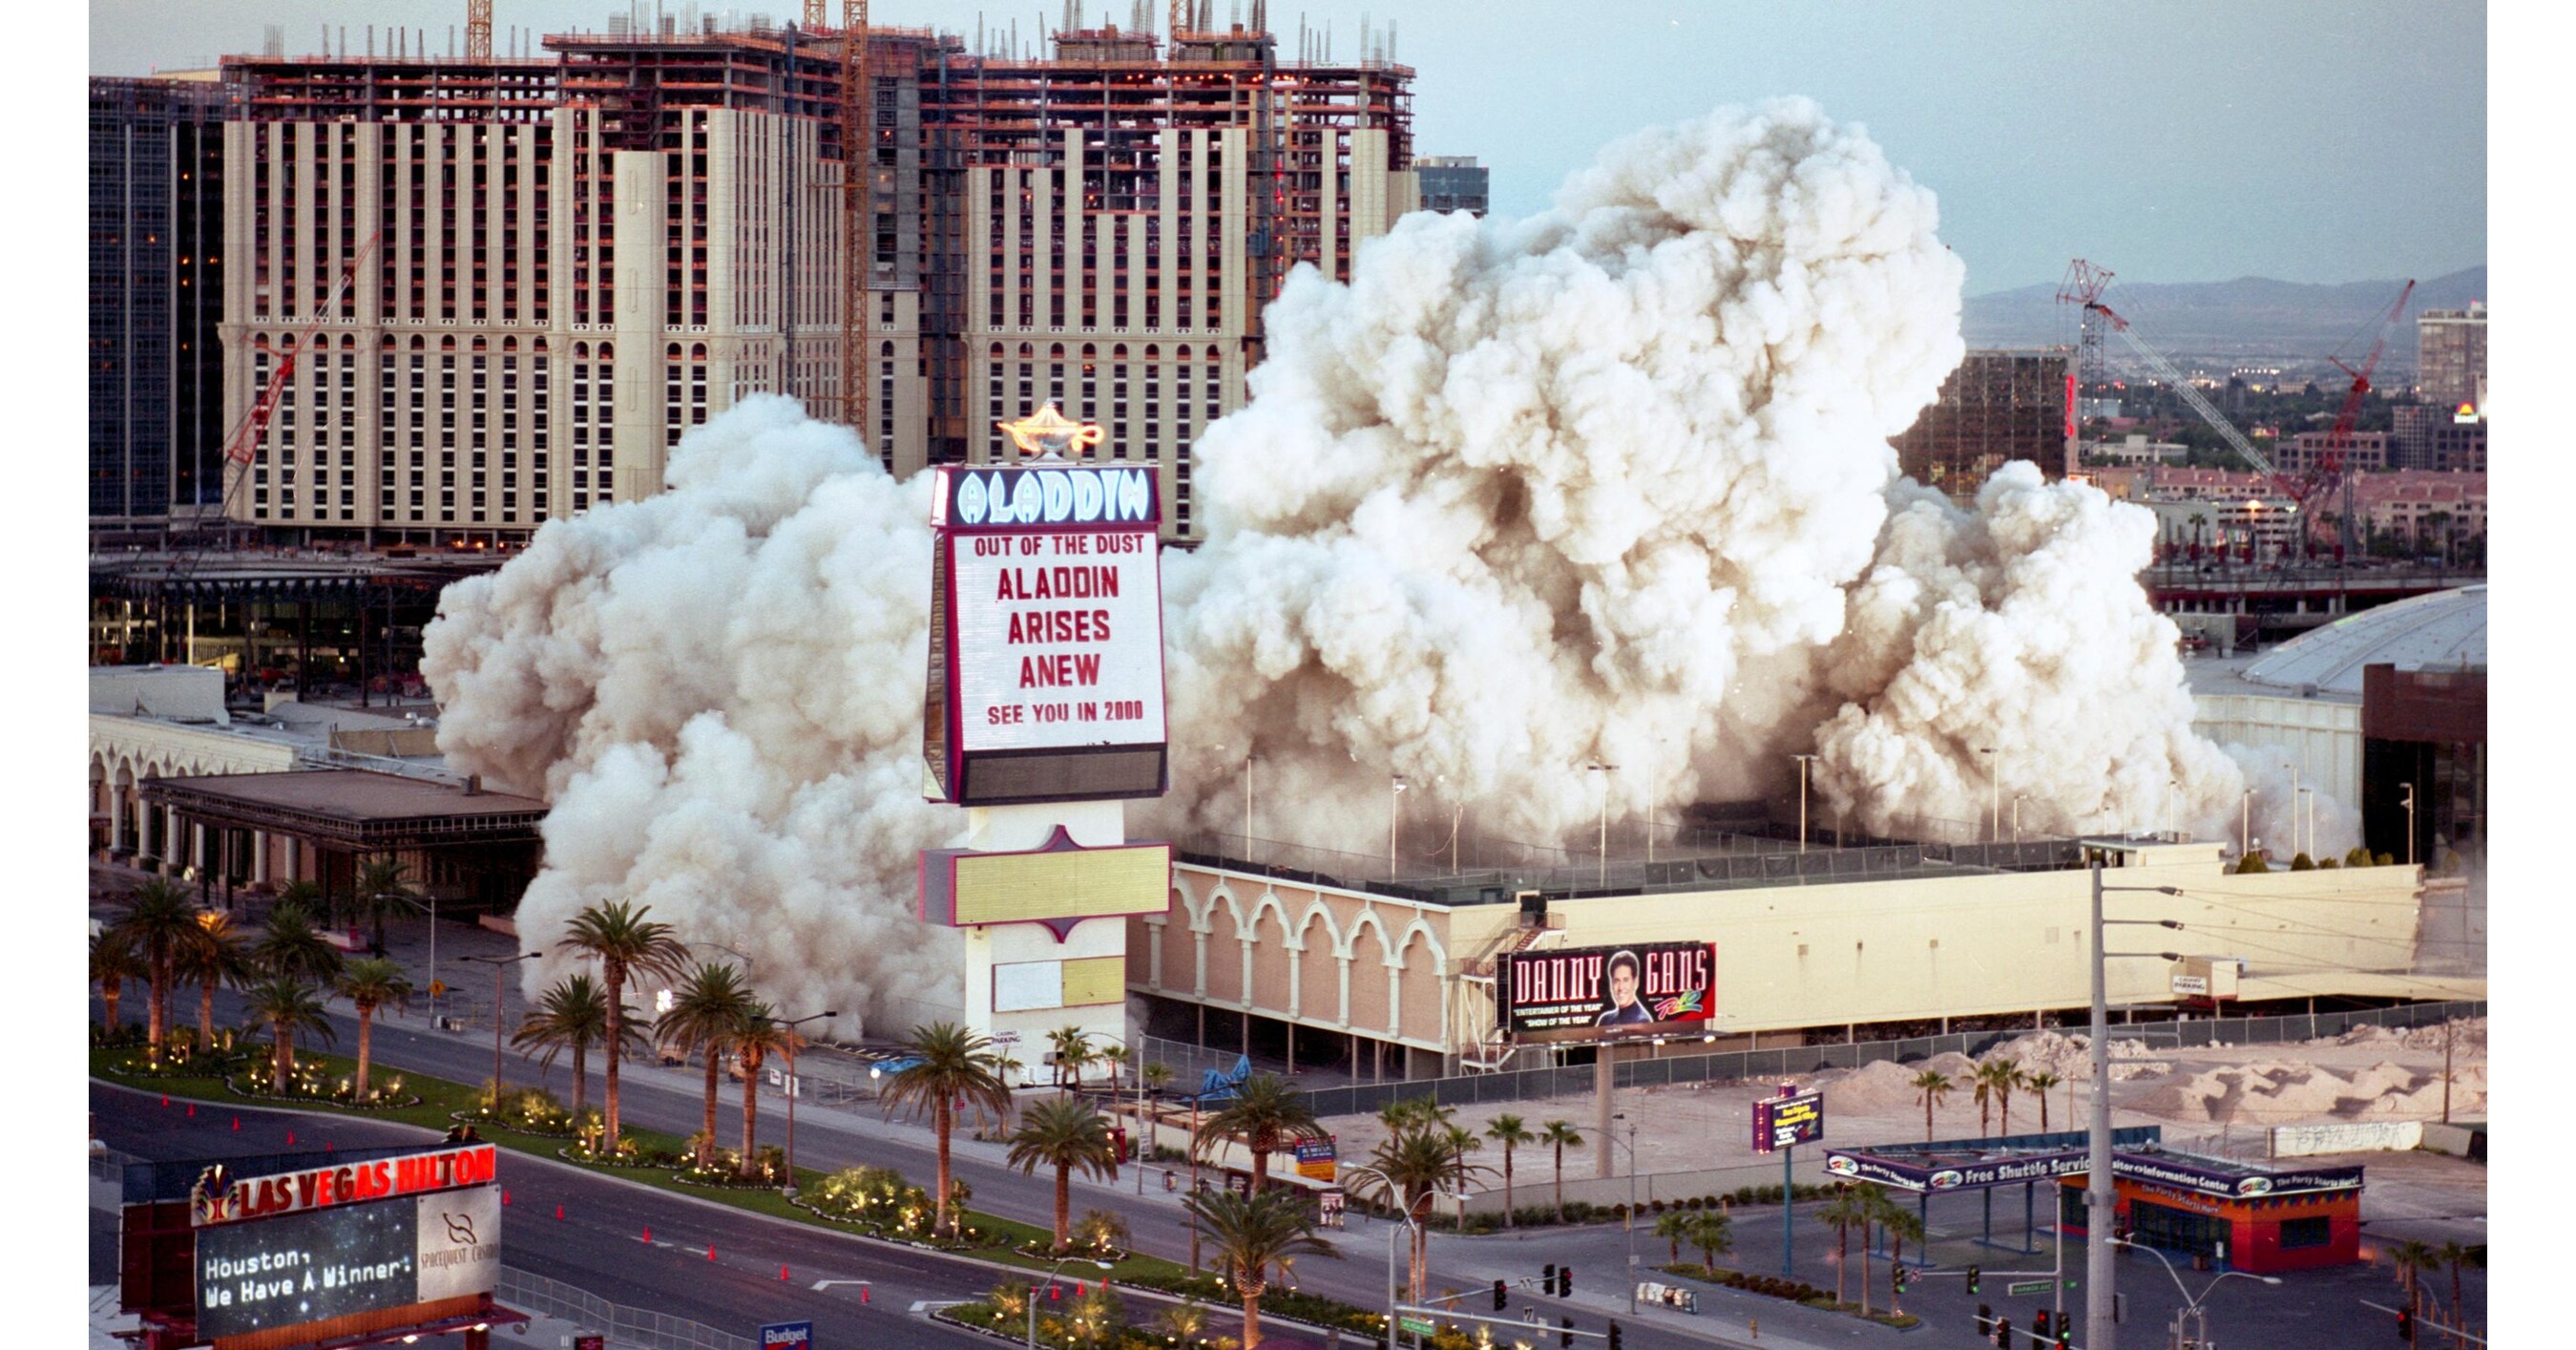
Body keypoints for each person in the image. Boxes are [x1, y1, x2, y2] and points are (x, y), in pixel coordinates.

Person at [1595, 951, 1655, 1026]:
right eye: (1616, 981)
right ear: (1611, 984)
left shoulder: (1642, 1021)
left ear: (1635, 982)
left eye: (1626, 980)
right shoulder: (1605, 1020)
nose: (1620, 987)